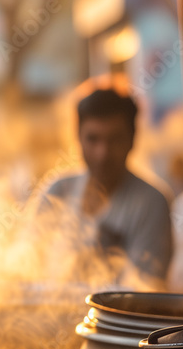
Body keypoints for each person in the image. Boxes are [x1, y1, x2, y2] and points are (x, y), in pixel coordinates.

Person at [43, 88, 173, 287]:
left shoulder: (151, 203)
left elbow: (144, 288)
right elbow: (25, 262)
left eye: (115, 140)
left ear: (132, 139)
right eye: (93, 139)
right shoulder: (58, 191)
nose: (102, 153)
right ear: (78, 137)